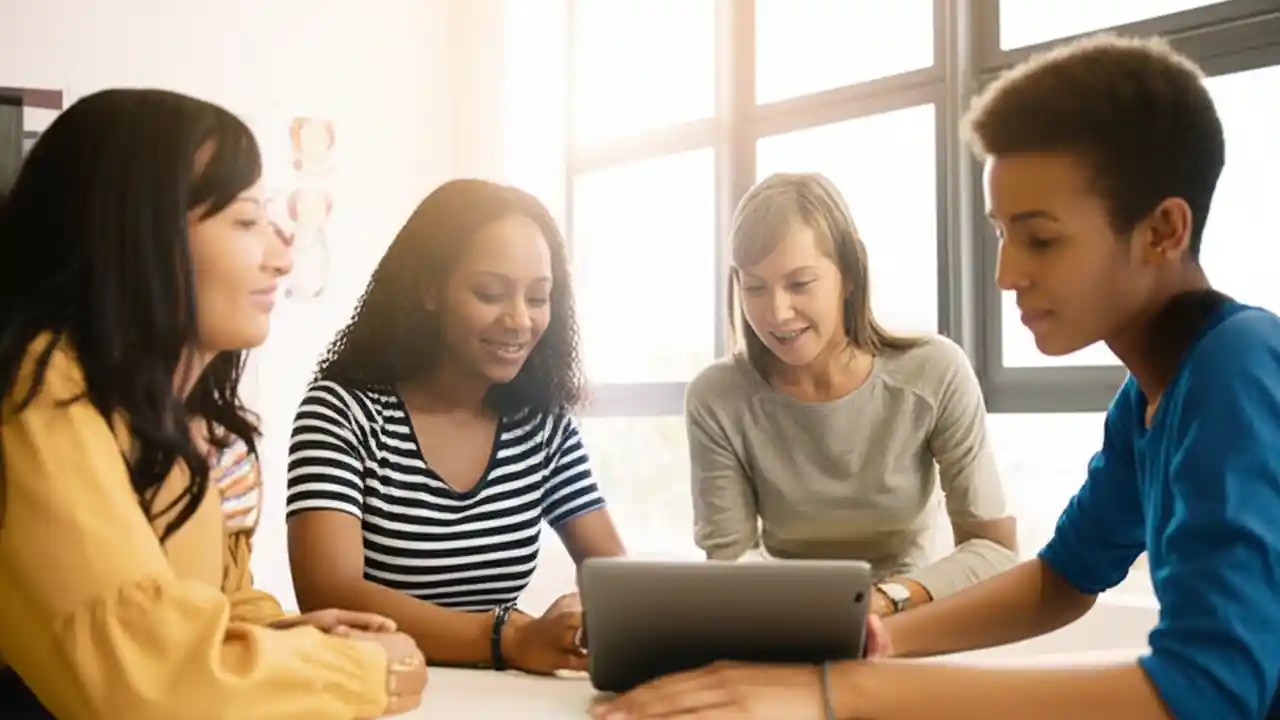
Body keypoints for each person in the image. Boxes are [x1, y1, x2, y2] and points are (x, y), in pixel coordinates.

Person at [591, 33, 1280, 720]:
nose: (1007, 273)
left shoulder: (1235, 367)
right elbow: (1058, 581)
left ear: (1162, 231)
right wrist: (870, 647)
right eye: (1003, 235)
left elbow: (1210, 690)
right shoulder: (1148, 397)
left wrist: (842, 692)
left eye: (1040, 237)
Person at [0, 88, 426, 720]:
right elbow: (141, 674)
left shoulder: (175, 418)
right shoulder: (37, 393)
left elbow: (207, 607)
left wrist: (291, 636)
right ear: (138, 233)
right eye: (247, 221)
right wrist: (362, 672)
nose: (281, 258)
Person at [286, 178, 626, 675]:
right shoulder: (342, 412)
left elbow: (614, 574)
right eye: (490, 293)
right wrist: (507, 638)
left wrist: (588, 618)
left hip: (494, 700)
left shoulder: (541, 425)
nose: (519, 320)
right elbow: (329, 591)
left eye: (537, 297)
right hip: (378, 692)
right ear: (429, 289)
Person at [685, 172, 1017, 617]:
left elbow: (993, 551)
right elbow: (728, 566)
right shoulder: (716, 397)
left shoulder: (934, 371)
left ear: (850, 277)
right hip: (782, 624)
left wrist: (881, 601)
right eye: (755, 288)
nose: (777, 312)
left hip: (905, 618)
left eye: (800, 284)